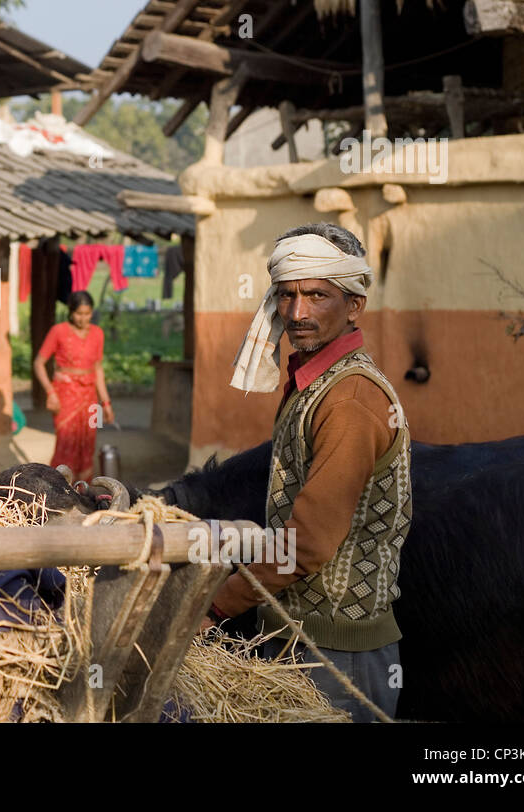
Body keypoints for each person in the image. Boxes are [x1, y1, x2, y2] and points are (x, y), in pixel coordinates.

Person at [203, 223, 411, 722]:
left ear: (354, 305)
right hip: (300, 638)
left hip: (337, 656)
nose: (297, 313)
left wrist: (213, 607)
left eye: (317, 295)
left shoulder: (351, 399)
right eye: (288, 295)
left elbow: (309, 542)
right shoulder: (315, 384)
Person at [32, 291, 113, 482]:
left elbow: (98, 368)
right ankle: (58, 490)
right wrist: (50, 392)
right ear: (70, 312)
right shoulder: (58, 331)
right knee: (66, 442)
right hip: (64, 395)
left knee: (89, 444)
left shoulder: (98, 333)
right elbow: (38, 363)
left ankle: (83, 492)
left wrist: (106, 402)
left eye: (87, 314)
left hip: (91, 399)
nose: (83, 318)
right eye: (79, 314)